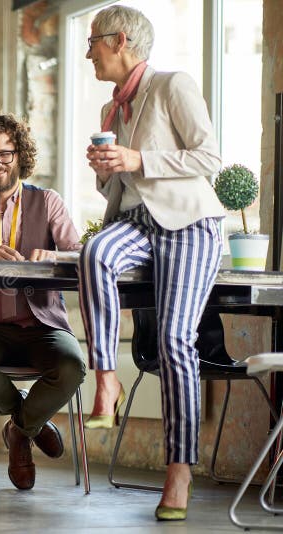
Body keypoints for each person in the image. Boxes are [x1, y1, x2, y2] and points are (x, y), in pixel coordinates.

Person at [78, 5, 224, 521]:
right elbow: (118, 185)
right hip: (138, 223)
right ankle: (107, 379)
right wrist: (104, 169)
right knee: (95, 252)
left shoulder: (171, 85)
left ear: (119, 41)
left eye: (93, 41)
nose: (88, 52)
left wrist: (137, 159)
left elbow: (210, 158)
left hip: (189, 223)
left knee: (172, 341)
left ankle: (179, 470)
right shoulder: (109, 112)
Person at [0, 113, 86, 491]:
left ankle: (19, 431)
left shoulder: (48, 202)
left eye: (5, 154)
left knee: (72, 367)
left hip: (40, 325)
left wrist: (44, 261)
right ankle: (30, 423)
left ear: (20, 155)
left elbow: (79, 257)